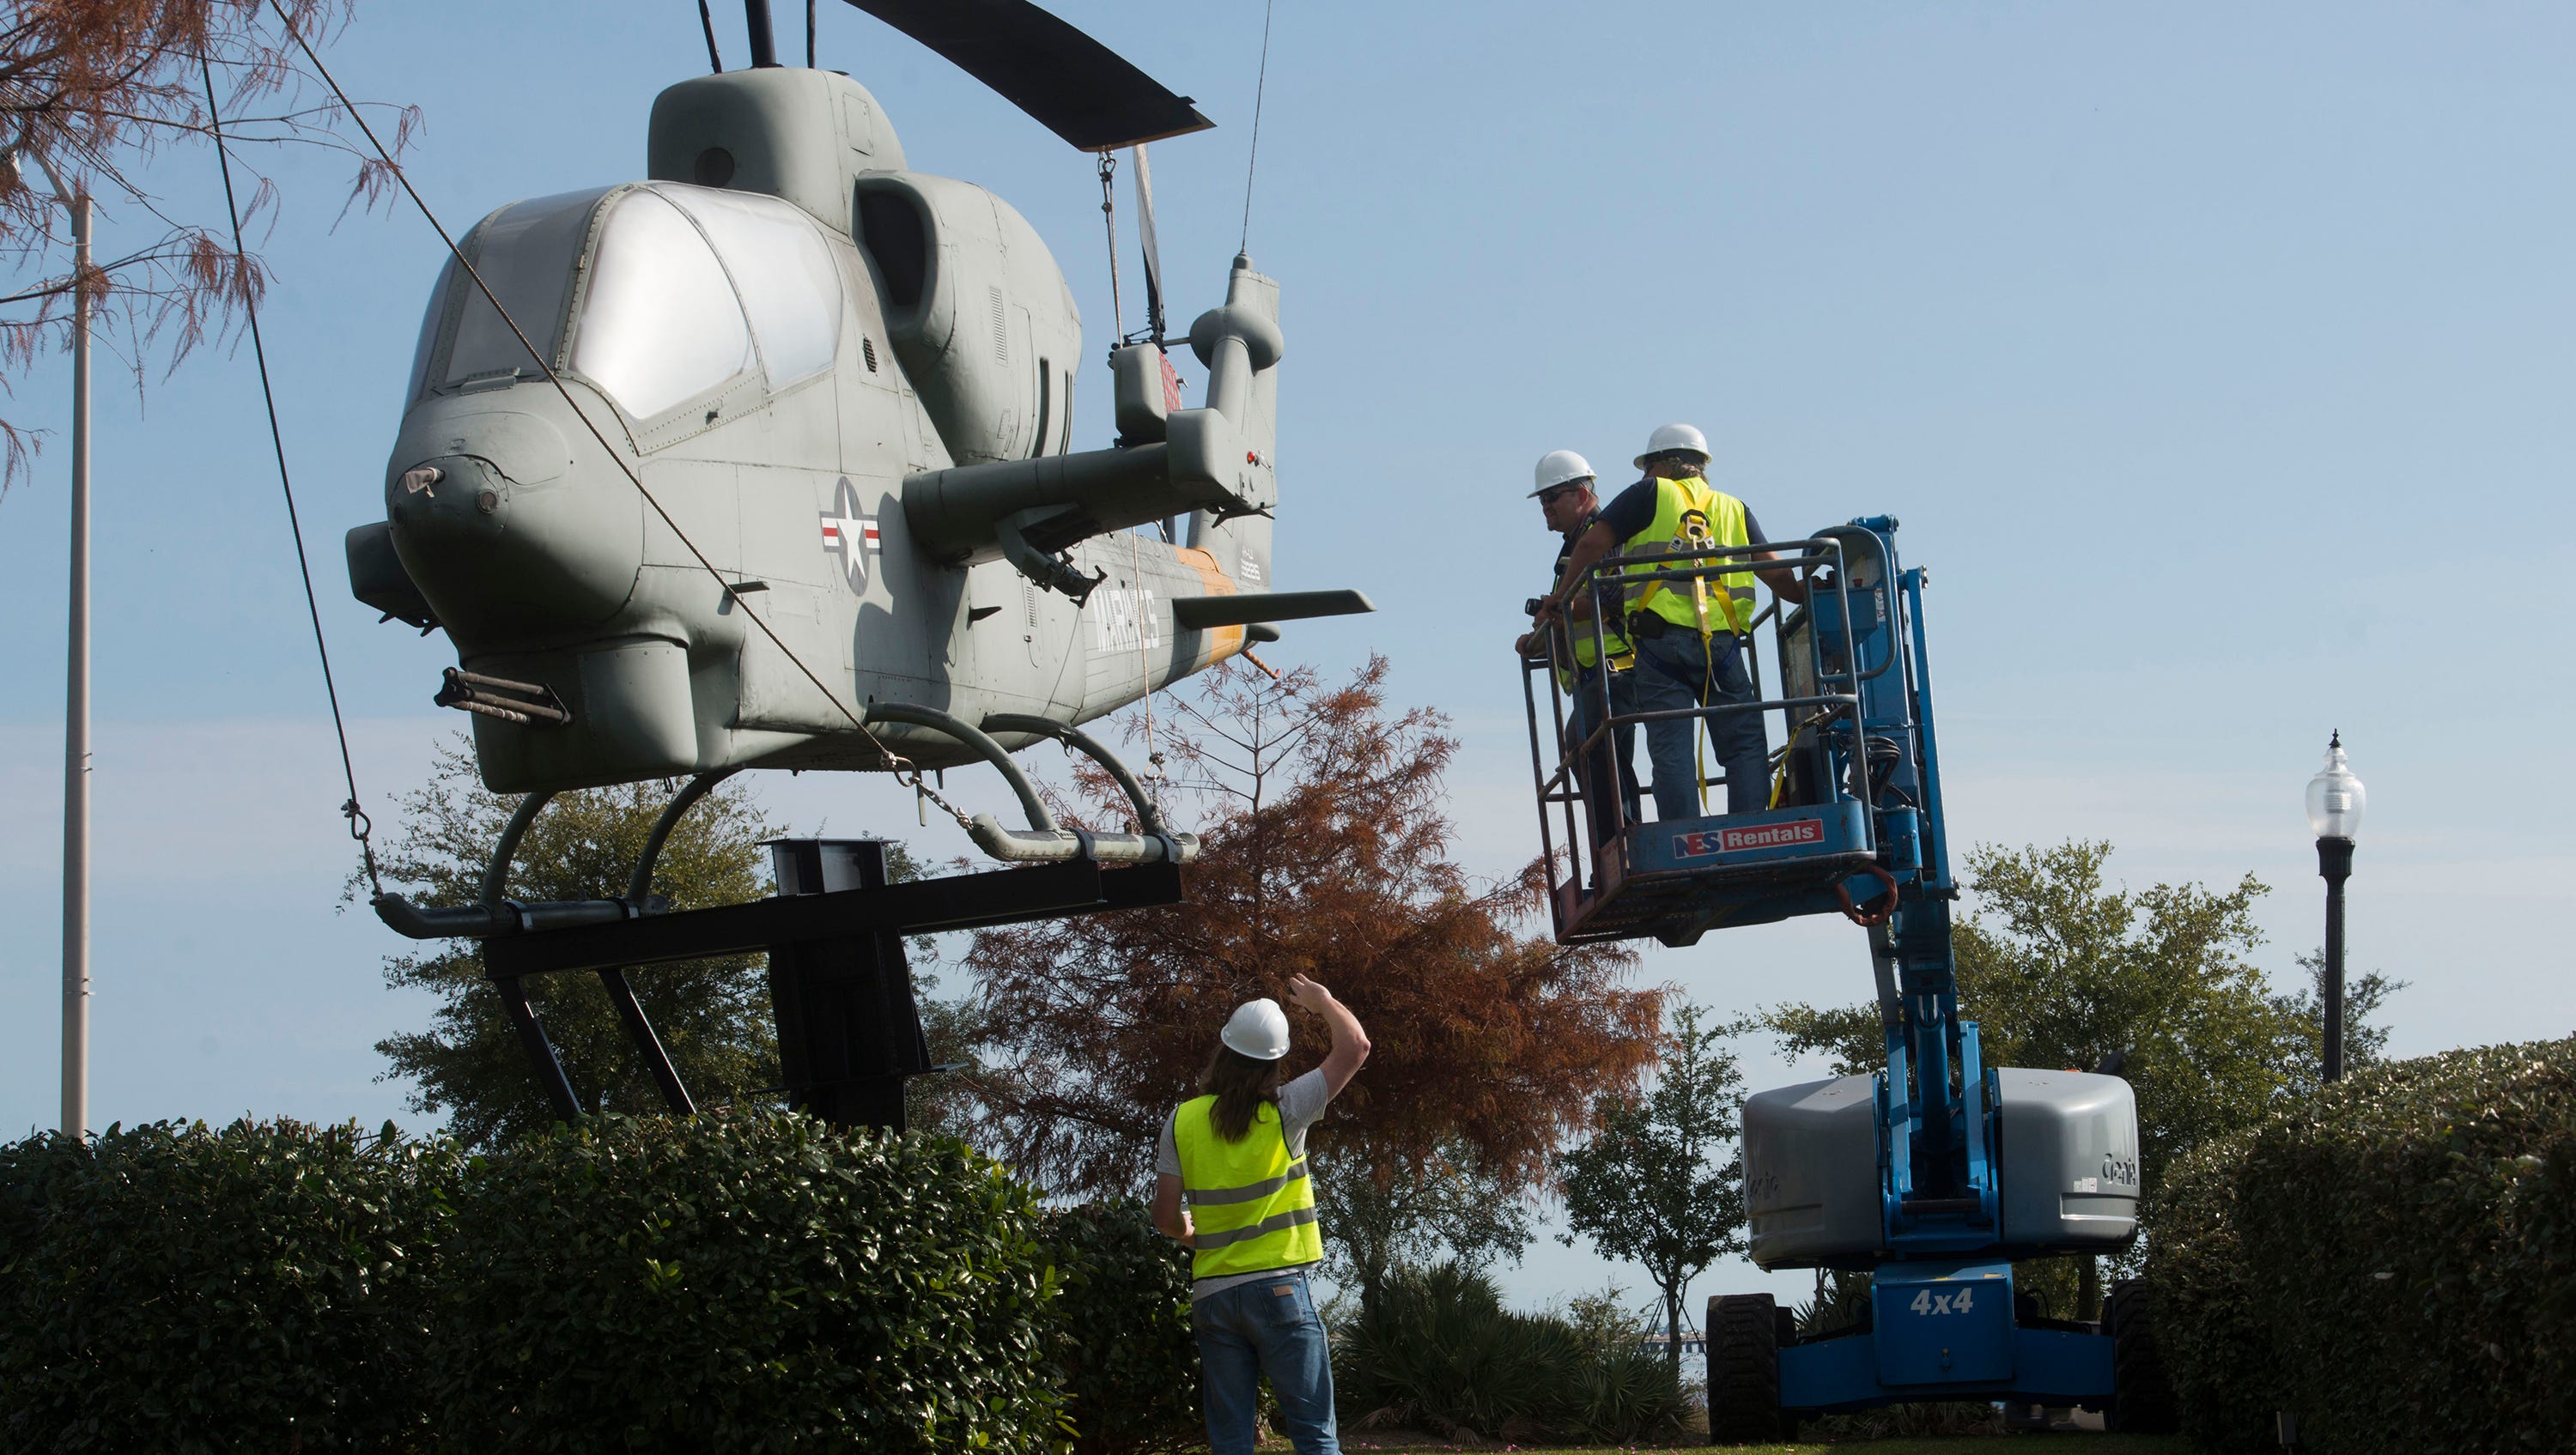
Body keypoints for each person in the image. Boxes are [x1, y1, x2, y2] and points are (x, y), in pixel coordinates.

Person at [1534, 422, 1807, 821]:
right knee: (1744, 746)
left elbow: (1593, 544)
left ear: (1660, 465)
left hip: (1661, 646)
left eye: (1647, 467)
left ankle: (1683, 838)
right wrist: (1809, 592)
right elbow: (1779, 576)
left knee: (1671, 747)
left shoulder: (1649, 493)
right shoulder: (1732, 507)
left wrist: (1560, 599)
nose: (1644, 475)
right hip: (1724, 647)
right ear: (1700, 465)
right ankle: (1751, 831)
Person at [1153, 975, 1371, 1455]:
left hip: (1213, 1297)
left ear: (1223, 1051)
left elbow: (1166, 1218)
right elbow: (1355, 1046)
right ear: (1275, 1062)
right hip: (1280, 1293)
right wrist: (1324, 1001)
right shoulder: (1287, 1110)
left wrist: (1199, 1236)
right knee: (1313, 1434)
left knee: (1230, 1442)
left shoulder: (1182, 1119)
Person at [1514, 449, 1641, 848]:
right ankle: (1620, 841)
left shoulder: (1604, 534)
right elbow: (1570, 613)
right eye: (1543, 500)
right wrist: (1540, 641)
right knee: (1599, 754)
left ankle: (1619, 842)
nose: (1545, 507)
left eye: (1552, 497)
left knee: (1587, 745)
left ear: (1582, 494)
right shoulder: (1572, 547)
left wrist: (1557, 613)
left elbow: (1615, 595)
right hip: (1595, 672)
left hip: (1618, 667)